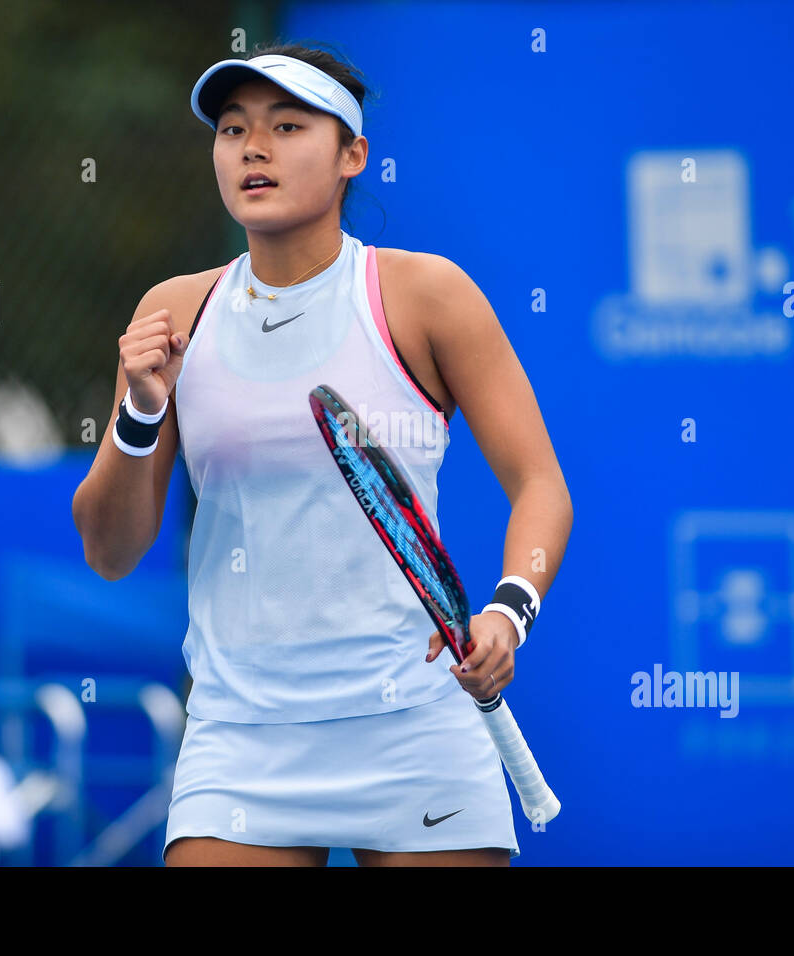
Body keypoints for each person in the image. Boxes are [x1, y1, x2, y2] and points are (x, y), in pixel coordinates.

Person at [71, 41, 572, 867]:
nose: (253, 148)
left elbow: (542, 487)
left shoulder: (427, 295)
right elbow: (109, 550)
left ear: (352, 155)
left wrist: (507, 614)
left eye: (287, 125)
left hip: (416, 722)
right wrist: (140, 411)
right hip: (241, 732)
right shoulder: (173, 313)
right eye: (232, 130)